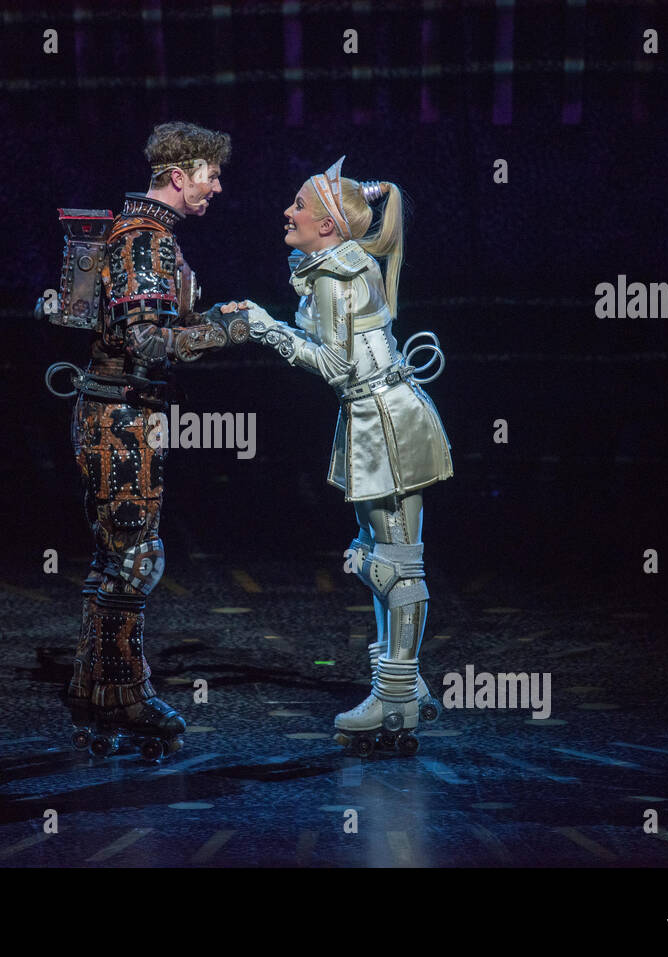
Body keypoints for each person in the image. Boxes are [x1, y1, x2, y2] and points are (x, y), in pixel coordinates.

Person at [235, 156, 454, 755]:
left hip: (383, 418)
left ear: (327, 224)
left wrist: (264, 327)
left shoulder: (336, 274)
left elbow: (335, 366)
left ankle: (399, 695)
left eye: (299, 205)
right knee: (387, 556)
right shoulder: (345, 264)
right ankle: (401, 686)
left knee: (395, 562)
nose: (288, 212)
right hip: (379, 414)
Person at [62, 121, 239, 758]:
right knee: (136, 558)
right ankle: (122, 693)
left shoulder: (142, 232)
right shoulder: (146, 239)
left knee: (117, 560)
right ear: (177, 175)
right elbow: (148, 342)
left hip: (117, 411)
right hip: (121, 414)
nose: (216, 186)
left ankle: (95, 694)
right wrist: (228, 330)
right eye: (209, 174)